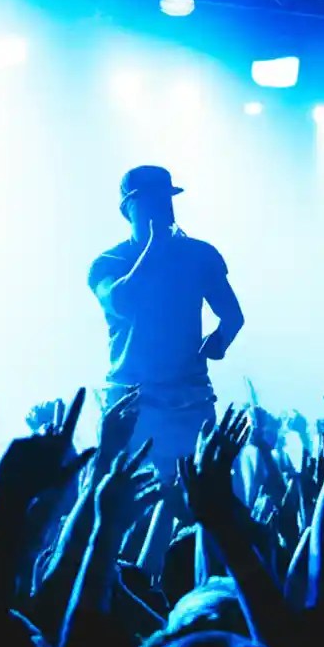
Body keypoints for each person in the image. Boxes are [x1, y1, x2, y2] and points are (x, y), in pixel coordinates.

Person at [88, 166, 244, 472]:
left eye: (166, 198)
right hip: (132, 398)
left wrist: (220, 340)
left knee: (197, 488)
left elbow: (232, 315)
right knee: (130, 490)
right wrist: (153, 250)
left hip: (189, 396)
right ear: (127, 209)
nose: (162, 206)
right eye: (150, 199)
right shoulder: (109, 263)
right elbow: (121, 302)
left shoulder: (200, 254)